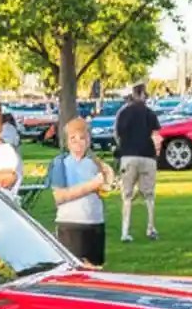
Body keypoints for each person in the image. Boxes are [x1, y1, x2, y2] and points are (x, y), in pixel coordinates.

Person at [45, 117, 114, 267]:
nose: (78, 141)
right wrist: (92, 185)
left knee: (95, 269)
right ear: (67, 141)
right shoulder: (60, 163)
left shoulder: (96, 163)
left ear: (89, 140)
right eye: (73, 138)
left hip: (95, 222)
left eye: (82, 137)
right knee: (74, 269)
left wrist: (107, 182)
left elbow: (105, 188)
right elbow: (60, 196)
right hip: (70, 224)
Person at [113, 83, 162, 241]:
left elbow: (117, 134)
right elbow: (156, 135)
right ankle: (151, 228)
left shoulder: (123, 112)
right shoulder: (150, 113)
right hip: (147, 156)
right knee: (149, 195)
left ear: (133, 94)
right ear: (144, 95)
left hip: (128, 156)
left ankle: (125, 232)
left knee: (126, 195)